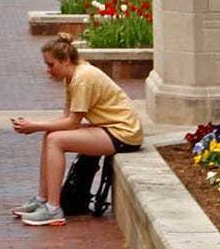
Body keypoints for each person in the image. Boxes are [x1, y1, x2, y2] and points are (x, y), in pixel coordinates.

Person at [8, 34, 144, 227]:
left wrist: (35, 125)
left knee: (56, 140)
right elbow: (67, 119)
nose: (48, 71)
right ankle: (43, 199)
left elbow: (72, 123)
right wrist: (38, 126)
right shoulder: (71, 76)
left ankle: (54, 210)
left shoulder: (82, 78)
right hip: (109, 127)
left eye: (51, 65)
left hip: (124, 134)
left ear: (65, 60)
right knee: (50, 136)